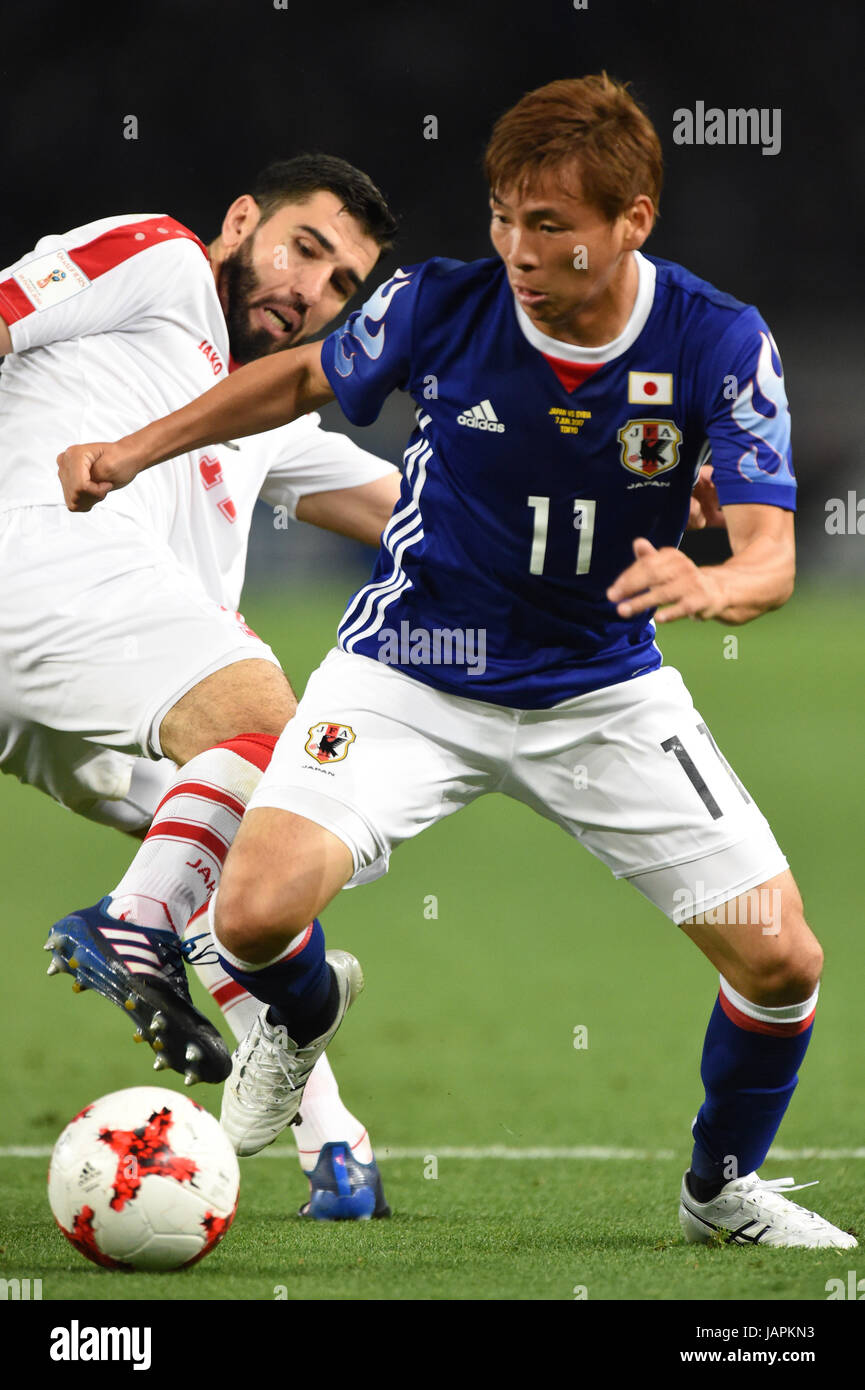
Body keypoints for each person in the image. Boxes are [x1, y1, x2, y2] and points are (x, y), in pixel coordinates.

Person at [56, 74, 850, 1249]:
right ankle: (296, 1023)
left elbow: (770, 559)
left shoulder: (717, 340)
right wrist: (130, 450)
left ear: (632, 220)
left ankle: (719, 1189)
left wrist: (711, 583)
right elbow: (295, 378)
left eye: (549, 226)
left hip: (603, 689)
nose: (517, 250)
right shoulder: (444, 305)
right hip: (411, 672)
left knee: (782, 960)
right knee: (252, 917)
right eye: (502, 215)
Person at [0, 154, 403, 1219]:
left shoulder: (258, 414)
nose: (309, 289)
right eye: (302, 248)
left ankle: (333, 1143)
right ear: (239, 222)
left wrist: (618, 539)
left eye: (340, 285)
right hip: (44, 562)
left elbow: (411, 513)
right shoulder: (165, 259)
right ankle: (133, 922)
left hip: (65, 662)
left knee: (258, 841)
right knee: (278, 736)